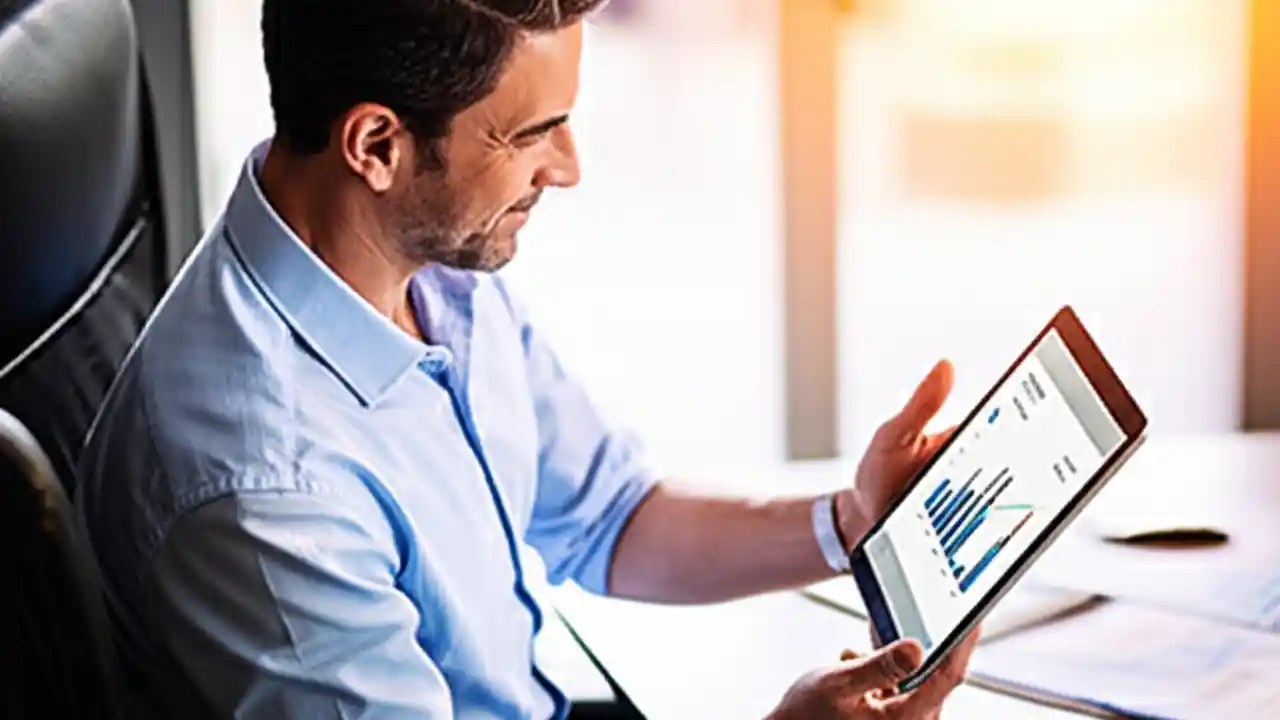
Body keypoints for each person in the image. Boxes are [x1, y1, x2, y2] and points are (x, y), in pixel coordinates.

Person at [77, 1, 977, 718]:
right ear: (377, 145)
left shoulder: (426, 266)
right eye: (531, 134)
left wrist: (850, 522)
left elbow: (611, 517)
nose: (568, 167)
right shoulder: (265, 492)